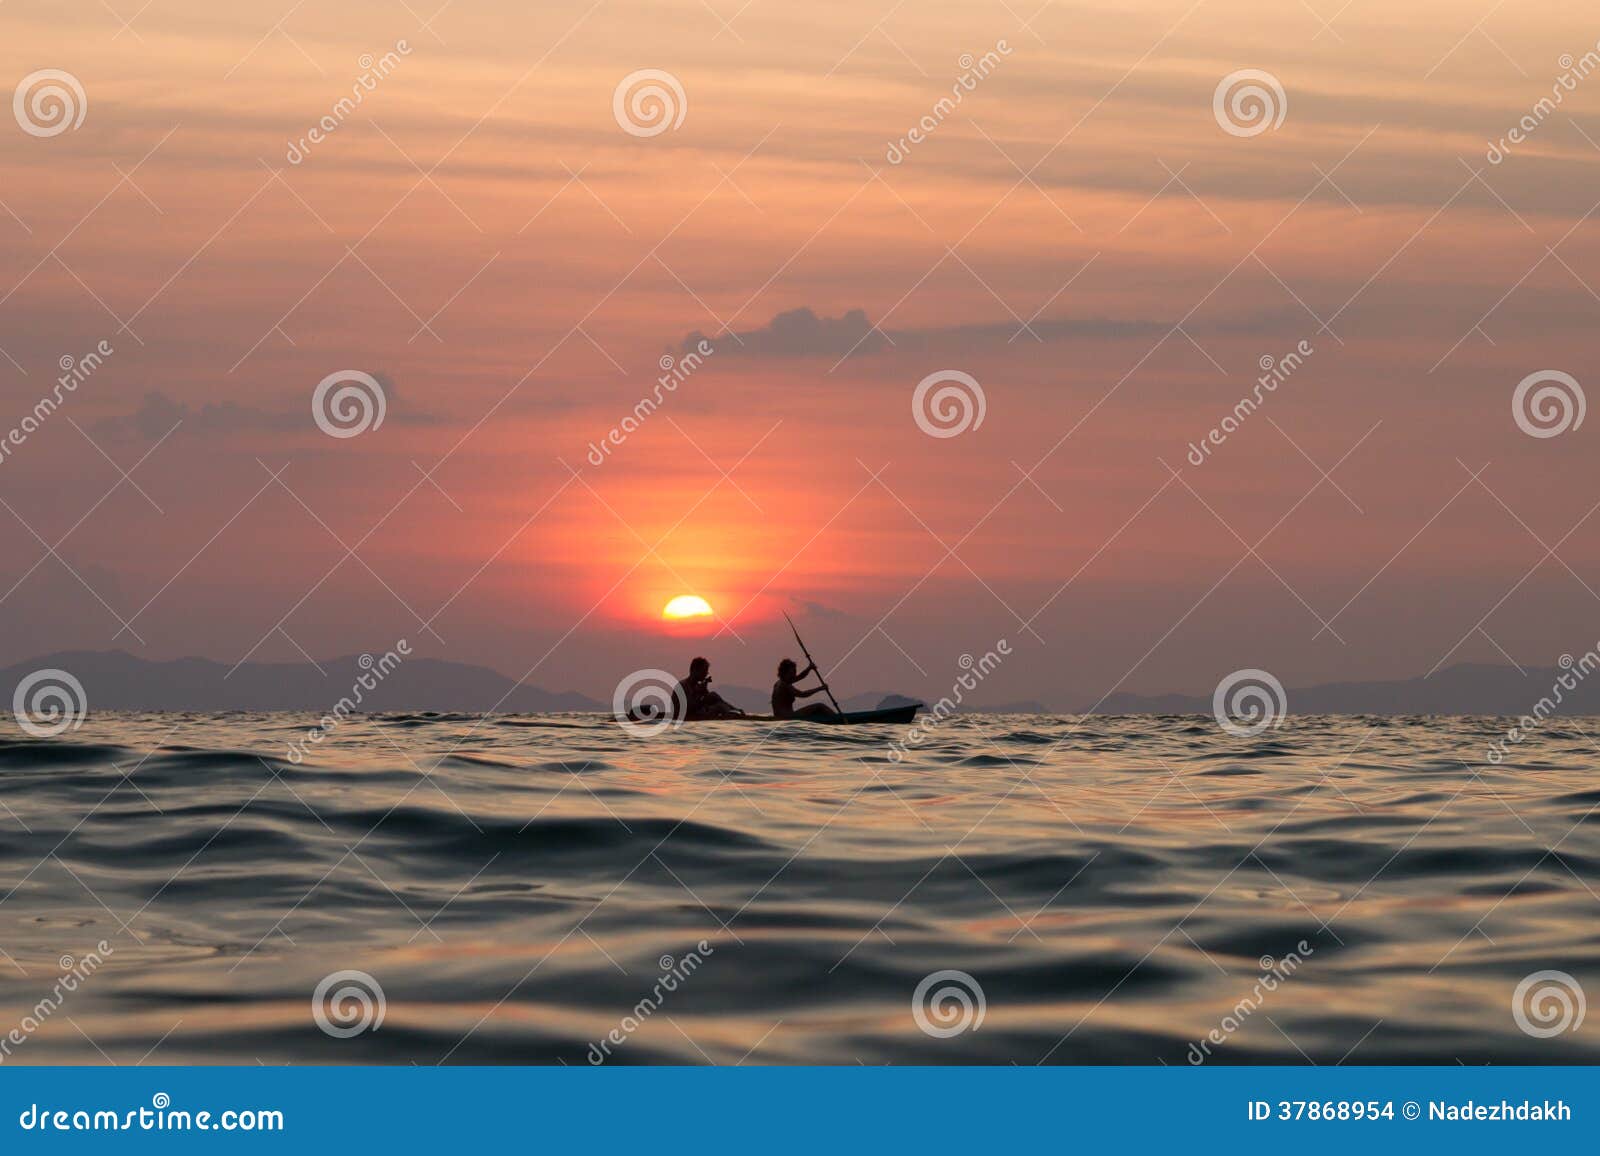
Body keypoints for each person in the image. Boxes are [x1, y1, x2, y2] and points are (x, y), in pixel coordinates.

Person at [677, 656, 744, 720]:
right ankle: (733, 714)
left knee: (713, 695)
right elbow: (689, 708)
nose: (706, 673)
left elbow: (711, 699)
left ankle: (734, 711)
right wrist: (700, 694)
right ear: (695, 671)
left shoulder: (697, 685)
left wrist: (704, 691)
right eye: (704, 671)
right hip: (687, 715)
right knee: (719, 707)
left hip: (696, 712)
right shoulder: (683, 686)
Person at [772, 658, 836, 720]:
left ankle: (829, 718)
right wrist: (820, 688)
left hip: (782, 717)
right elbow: (802, 694)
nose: (794, 675)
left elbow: (799, 677)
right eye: (792, 673)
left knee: (817, 712)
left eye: (795, 672)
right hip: (787, 717)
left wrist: (809, 668)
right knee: (819, 706)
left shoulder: (780, 682)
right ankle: (837, 718)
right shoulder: (785, 685)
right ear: (784, 673)